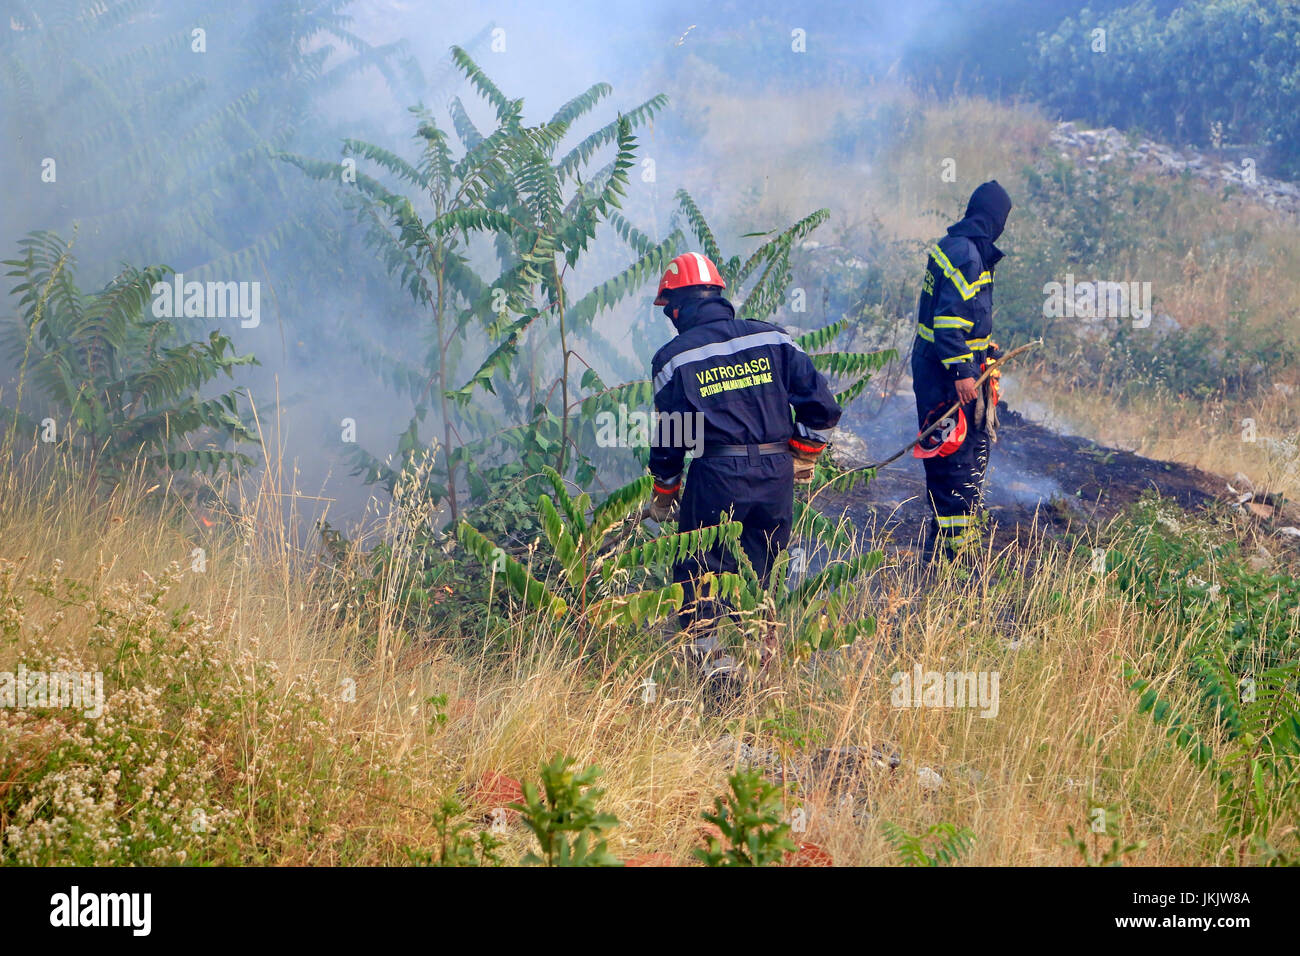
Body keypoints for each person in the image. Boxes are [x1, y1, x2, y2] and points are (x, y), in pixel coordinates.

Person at [646, 252, 842, 690]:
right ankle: (765, 682)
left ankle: (718, 684)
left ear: (677, 308)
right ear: (718, 295)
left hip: (716, 475)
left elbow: (672, 434)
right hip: (774, 478)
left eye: (670, 312)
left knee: (697, 574)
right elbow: (823, 409)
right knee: (763, 576)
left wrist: (665, 487)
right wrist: (802, 454)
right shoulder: (774, 339)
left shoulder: (673, 358)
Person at [910, 180, 1012, 564]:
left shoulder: (956, 246)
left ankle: (938, 551)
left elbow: (965, 315)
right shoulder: (967, 255)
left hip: (941, 370)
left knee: (955, 457)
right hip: (946, 378)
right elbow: (948, 322)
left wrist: (984, 348)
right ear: (991, 218)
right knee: (955, 462)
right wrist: (962, 370)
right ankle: (959, 561)